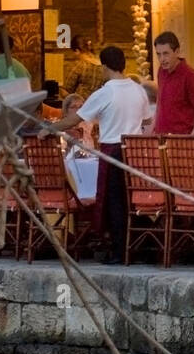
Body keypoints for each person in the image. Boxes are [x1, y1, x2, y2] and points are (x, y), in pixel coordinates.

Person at [51, 46, 151, 264]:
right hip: (135, 151)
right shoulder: (138, 90)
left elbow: (74, 120)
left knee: (113, 201)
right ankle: (136, 247)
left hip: (113, 149)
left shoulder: (105, 92)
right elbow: (146, 121)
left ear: (104, 67)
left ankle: (118, 251)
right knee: (131, 200)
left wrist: (49, 128)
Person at [149, 32, 194, 135]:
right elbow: (159, 104)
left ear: (177, 52)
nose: (162, 59)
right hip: (160, 138)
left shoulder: (189, 75)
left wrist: (191, 138)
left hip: (181, 140)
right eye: (158, 54)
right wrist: (150, 131)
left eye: (166, 53)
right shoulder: (161, 71)